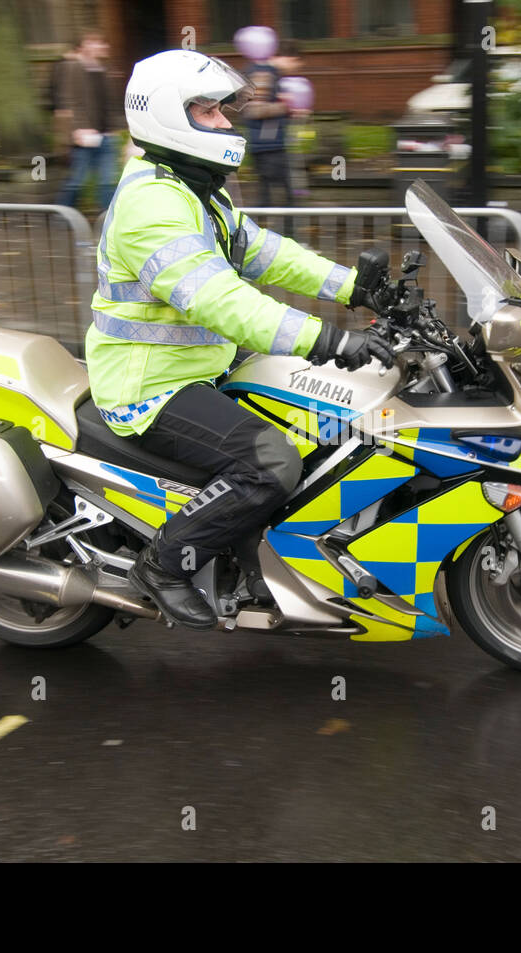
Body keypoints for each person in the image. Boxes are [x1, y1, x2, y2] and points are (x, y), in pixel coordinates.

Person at [89, 49, 393, 629]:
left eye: (222, 110)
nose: (225, 122)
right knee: (270, 463)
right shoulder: (152, 204)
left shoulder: (194, 189)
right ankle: (163, 566)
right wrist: (329, 340)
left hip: (203, 368)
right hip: (150, 386)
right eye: (207, 112)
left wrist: (355, 287)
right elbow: (217, 299)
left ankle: (260, 561)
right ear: (165, 115)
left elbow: (264, 253)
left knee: (321, 430)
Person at [54, 32, 118, 214]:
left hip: (105, 135)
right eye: (95, 42)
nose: (101, 47)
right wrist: (77, 128)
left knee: (107, 181)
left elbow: (109, 104)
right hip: (84, 136)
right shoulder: (73, 67)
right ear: (84, 46)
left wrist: (113, 129)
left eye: (102, 43)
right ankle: (62, 215)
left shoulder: (104, 70)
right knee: (76, 182)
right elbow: (68, 100)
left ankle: (107, 219)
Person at [242, 39, 293, 215]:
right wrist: (285, 106)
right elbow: (254, 110)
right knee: (283, 195)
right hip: (268, 144)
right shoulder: (263, 74)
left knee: (269, 193)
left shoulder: (271, 74)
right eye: (293, 60)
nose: (295, 65)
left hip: (268, 143)